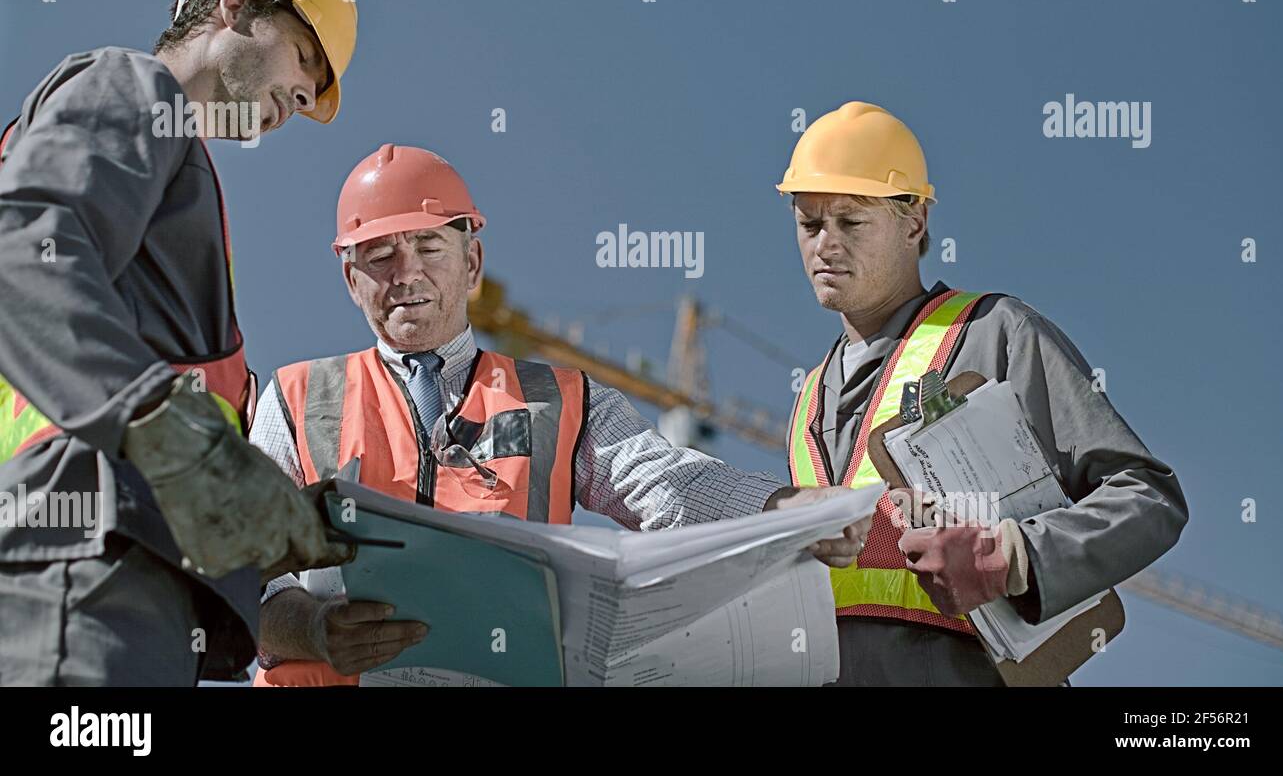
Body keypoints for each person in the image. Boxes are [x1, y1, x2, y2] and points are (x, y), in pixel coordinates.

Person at [254, 143, 870, 685]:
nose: (406, 273)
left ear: (471, 264)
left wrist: (781, 508)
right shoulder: (298, 399)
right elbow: (236, 579)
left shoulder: (559, 399)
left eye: (428, 246)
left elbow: (665, 484)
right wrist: (312, 628)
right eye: (379, 254)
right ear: (349, 277)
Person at [0, 0, 358, 685]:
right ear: (235, 8)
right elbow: (23, 252)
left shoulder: (176, 180)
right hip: (85, 560)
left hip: (124, 578)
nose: (298, 98)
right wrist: (172, 436)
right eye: (301, 59)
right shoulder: (134, 90)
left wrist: (269, 519)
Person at [776, 101, 1188, 685]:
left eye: (851, 221)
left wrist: (1017, 556)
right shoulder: (808, 401)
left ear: (913, 223)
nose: (826, 245)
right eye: (810, 223)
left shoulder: (996, 333)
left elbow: (1148, 499)